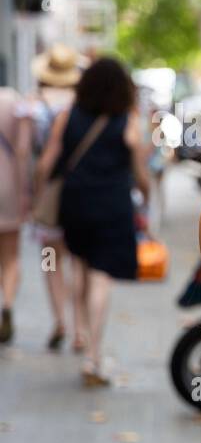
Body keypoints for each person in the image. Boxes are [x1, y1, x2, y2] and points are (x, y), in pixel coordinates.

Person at [33, 57, 152, 386]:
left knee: (80, 270)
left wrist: (37, 198)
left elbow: (46, 163)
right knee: (100, 279)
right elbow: (139, 167)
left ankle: (81, 334)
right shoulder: (127, 117)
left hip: (75, 203)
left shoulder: (68, 115)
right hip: (112, 205)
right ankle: (93, 356)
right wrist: (147, 194)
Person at [25, 44, 85, 350]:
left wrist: (35, 193)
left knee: (50, 261)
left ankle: (60, 319)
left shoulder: (35, 107)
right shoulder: (81, 105)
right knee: (77, 262)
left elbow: (38, 159)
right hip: (79, 193)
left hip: (50, 193)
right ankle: (79, 330)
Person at [0, 88, 32, 343]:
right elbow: (22, 150)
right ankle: (7, 304)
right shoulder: (12, 100)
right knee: (11, 256)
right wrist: (26, 192)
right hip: (7, 182)